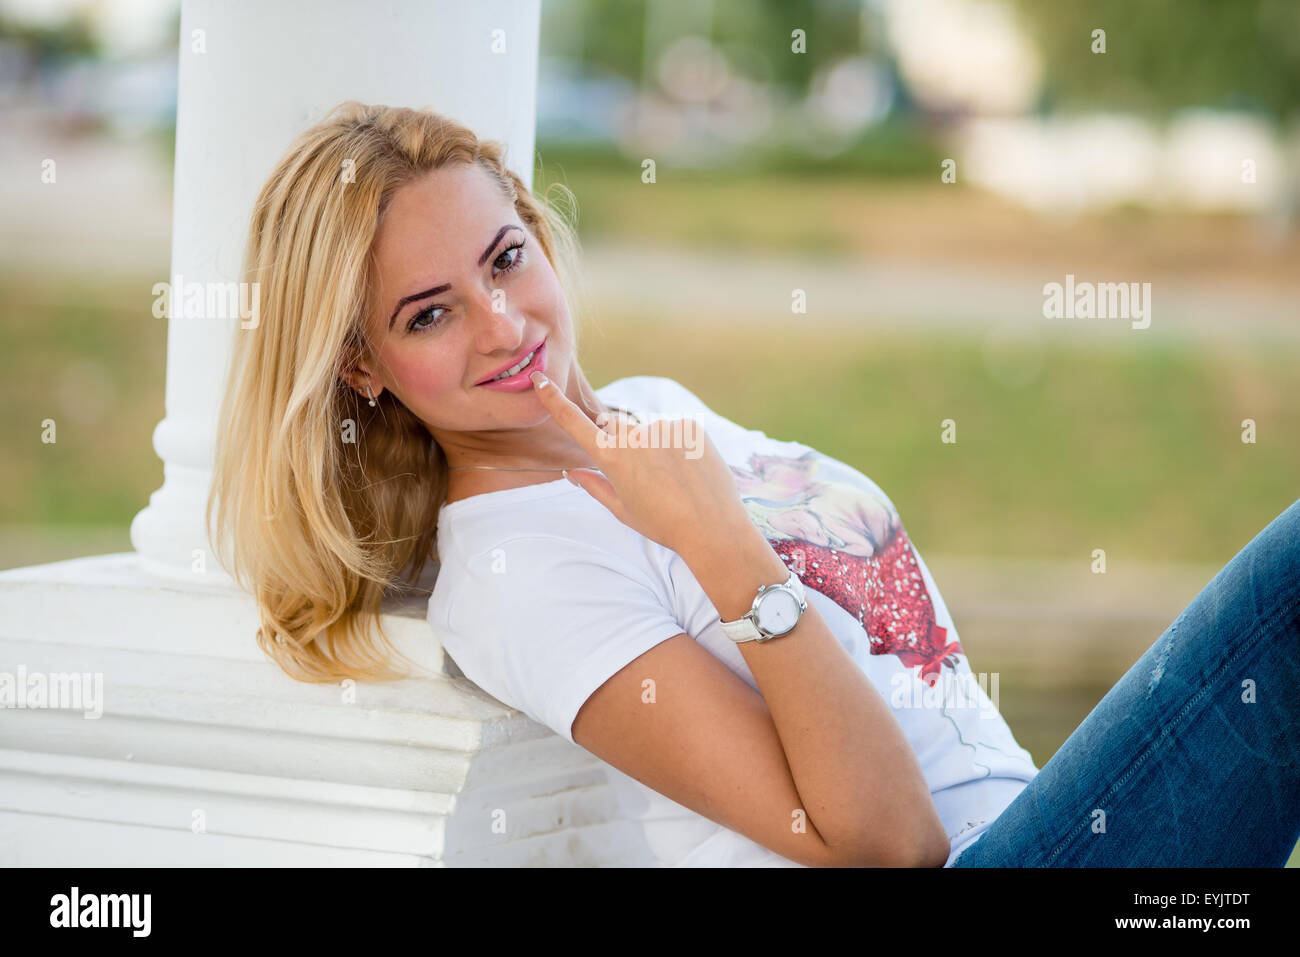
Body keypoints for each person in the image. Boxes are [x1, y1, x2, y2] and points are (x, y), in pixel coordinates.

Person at [208, 101, 1300, 868]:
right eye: (429, 313)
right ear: (361, 367)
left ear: (538, 239)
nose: (504, 322)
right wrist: (722, 547)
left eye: (503, 259)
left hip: (1039, 819)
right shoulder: (509, 571)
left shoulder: (652, 403)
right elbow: (887, 845)